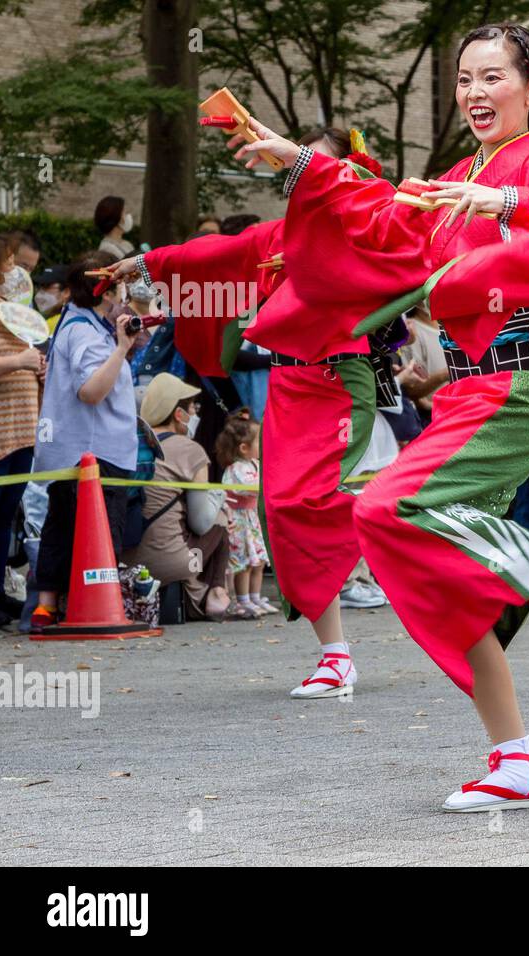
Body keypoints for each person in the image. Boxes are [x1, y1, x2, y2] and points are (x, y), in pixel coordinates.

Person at [230, 19, 529, 811]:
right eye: (465, 79)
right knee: (427, 563)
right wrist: (302, 161)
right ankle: (516, 759)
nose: (476, 93)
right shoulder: (456, 177)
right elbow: (382, 215)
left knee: (386, 505)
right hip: (470, 390)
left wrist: (507, 199)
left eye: (493, 78)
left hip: (521, 386)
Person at [106, 127, 381, 698]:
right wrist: (146, 262)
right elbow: (213, 254)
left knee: (318, 500)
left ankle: (397, 538)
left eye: (316, 163)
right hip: (289, 380)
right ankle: (335, 656)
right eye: (296, 163)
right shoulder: (278, 237)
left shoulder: (364, 221)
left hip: (339, 378)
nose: (303, 172)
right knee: (280, 509)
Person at [30, 254, 140, 629]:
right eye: (119, 286)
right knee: (98, 532)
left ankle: (47, 606)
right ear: (106, 289)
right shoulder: (84, 331)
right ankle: (89, 606)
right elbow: (91, 391)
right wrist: (122, 349)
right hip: (97, 450)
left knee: (61, 523)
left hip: (75, 447)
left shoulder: (75, 321)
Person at [127, 374, 234, 620]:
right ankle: (213, 593)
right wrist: (218, 497)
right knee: (220, 518)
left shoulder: (132, 443)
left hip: (123, 558)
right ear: (178, 415)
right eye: (192, 408)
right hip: (167, 562)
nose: (195, 413)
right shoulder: (190, 450)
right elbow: (201, 522)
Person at [0, 263, 46, 626]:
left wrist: (38, 368)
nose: (15, 271)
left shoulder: (18, 316)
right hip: (1, 431)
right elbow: (14, 361)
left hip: (22, 430)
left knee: (4, 520)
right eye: (8, 262)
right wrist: (19, 361)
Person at [216, 414, 275, 617]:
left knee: (258, 560)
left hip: (253, 518)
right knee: (244, 563)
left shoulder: (256, 464)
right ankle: (243, 599)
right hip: (240, 519)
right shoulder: (236, 469)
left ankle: (255, 596)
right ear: (243, 448)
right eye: (258, 441)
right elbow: (248, 489)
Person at [95, 196, 135, 261]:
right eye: (125, 212)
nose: (128, 216)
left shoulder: (127, 244)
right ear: (116, 217)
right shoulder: (107, 249)